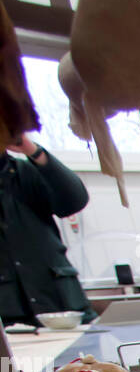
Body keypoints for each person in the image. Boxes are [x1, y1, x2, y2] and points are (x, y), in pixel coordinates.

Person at [0, 132, 96, 326]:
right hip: (10, 320)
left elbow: (73, 201)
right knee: (8, 359)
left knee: (89, 357)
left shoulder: (25, 172)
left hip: (63, 308)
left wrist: (33, 152)